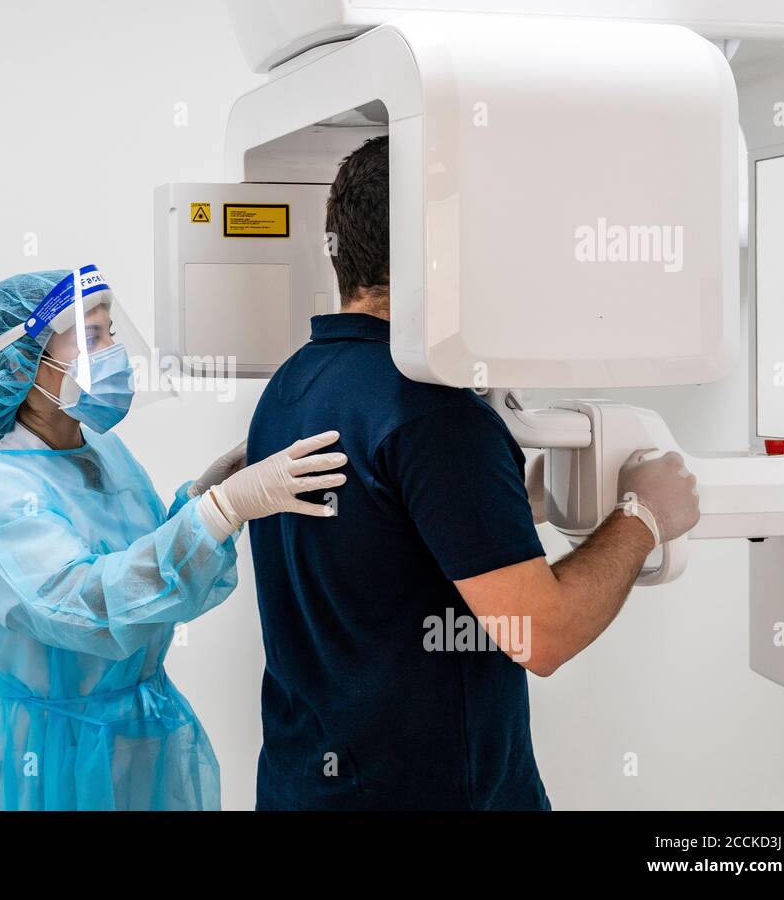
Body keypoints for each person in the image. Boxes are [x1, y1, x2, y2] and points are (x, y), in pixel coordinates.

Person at [246, 136, 702, 810]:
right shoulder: (435, 416)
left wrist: (517, 502)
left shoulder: (294, 383)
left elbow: (384, 541)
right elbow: (538, 635)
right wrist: (644, 519)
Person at [0, 267, 347, 810]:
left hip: (138, 734)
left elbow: (142, 568)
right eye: (91, 337)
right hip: (52, 752)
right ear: (22, 364)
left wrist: (203, 497)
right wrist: (220, 512)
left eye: (112, 332)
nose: (114, 351)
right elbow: (90, 607)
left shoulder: (103, 454)